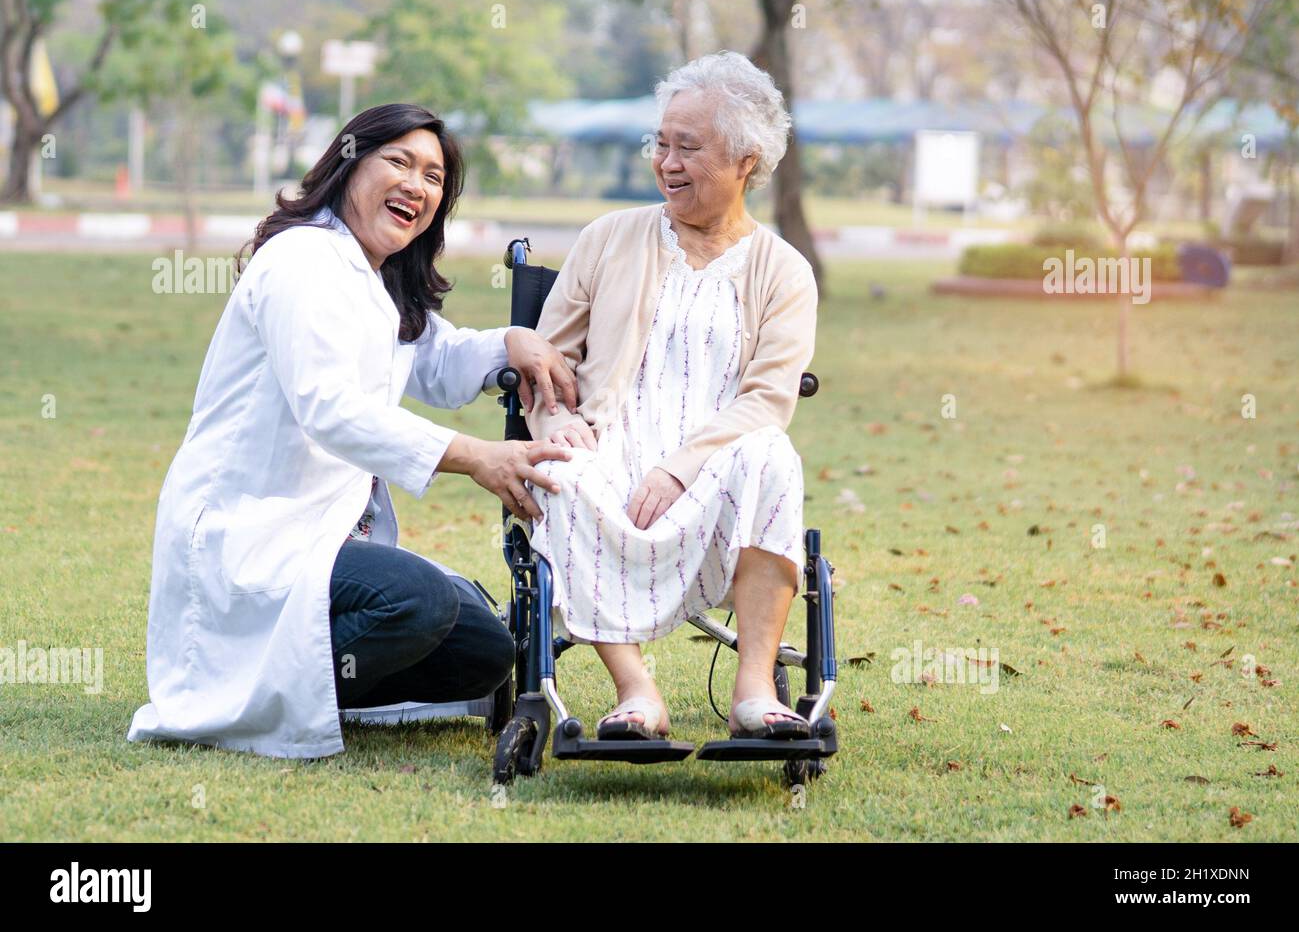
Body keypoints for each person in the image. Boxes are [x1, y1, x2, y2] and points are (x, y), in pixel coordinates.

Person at [127, 104, 573, 759]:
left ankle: (299, 685)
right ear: (346, 163)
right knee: (418, 601)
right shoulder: (302, 260)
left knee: (486, 649)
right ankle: (244, 690)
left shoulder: (376, 281)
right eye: (398, 162)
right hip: (251, 533)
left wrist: (514, 342)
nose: (417, 186)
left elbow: (439, 359)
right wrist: (477, 456)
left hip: (324, 540)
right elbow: (327, 406)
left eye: (433, 176)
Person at [523, 52, 818, 741]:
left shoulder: (783, 272)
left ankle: (753, 692)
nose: (667, 162)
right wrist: (559, 419)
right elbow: (547, 361)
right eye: (661, 143)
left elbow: (769, 399)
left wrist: (679, 466)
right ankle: (636, 692)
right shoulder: (608, 239)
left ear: (747, 159)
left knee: (773, 457)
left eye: (689, 147)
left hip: (714, 465)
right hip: (611, 450)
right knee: (559, 473)